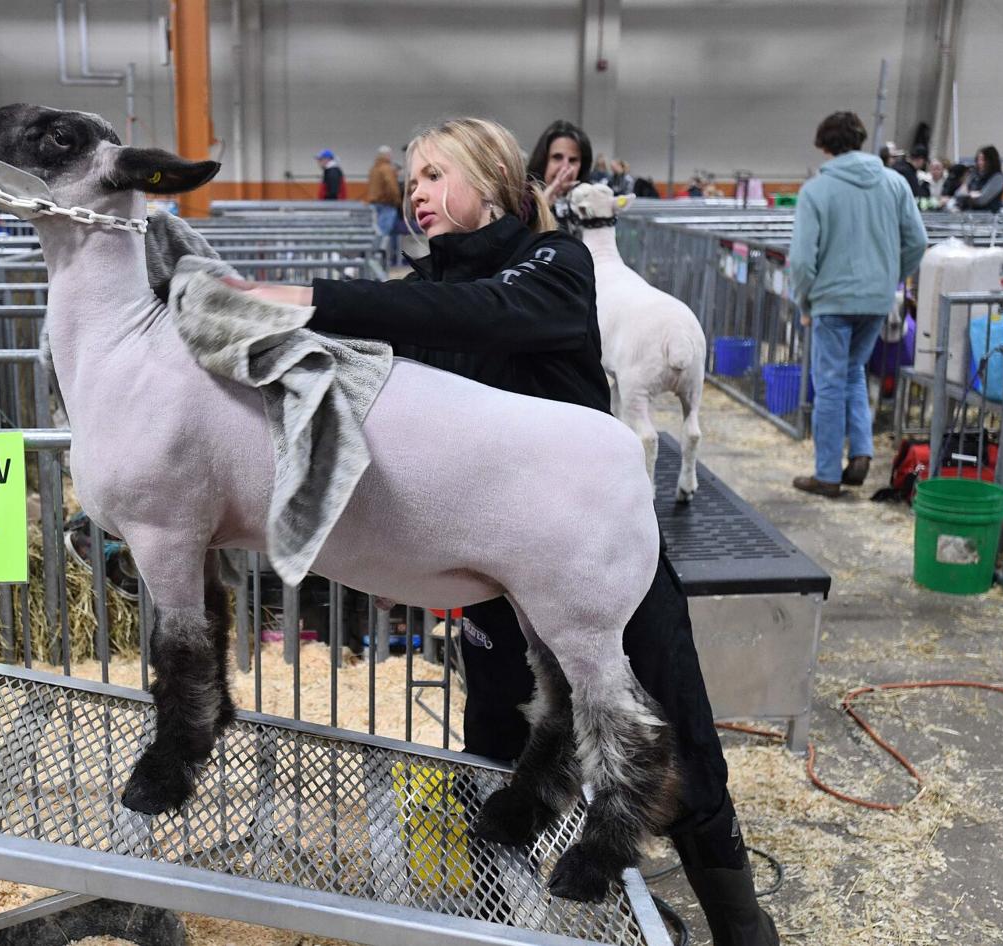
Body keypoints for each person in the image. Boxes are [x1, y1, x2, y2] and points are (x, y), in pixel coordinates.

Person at [234, 115, 778, 946]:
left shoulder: (552, 267)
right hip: (487, 563)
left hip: (600, 553)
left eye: (432, 174)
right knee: (496, 733)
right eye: (409, 178)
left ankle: (740, 925)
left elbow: (479, 316)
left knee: (676, 732)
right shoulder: (420, 287)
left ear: (488, 180)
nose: (415, 191)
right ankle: (499, 908)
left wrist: (313, 298)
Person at [788, 111, 927, 497]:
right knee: (852, 373)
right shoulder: (895, 182)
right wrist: (890, 278)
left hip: (831, 300)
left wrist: (804, 299)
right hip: (878, 300)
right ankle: (862, 452)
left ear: (823, 146)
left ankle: (828, 474)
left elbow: (801, 260)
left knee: (830, 383)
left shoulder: (816, 191)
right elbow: (917, 241)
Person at [525, 119, 592, 236]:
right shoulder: (523, 202)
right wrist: (542, 207)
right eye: (557, 157)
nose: (565, 168)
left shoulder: (588, 201)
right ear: (543, 160)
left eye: (573, 160)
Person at [365, 145, 403, 263]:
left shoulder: (373, 169)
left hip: (374, 203)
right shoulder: (387, 169)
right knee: (384, 233)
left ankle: (373, 256)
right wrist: (397, 201)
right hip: (387, 204)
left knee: (376, 231)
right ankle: (380, 259)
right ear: (387, 155)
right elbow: (392, 187)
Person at [954, 145, 1003, 212]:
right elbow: (957, 194)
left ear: (991, 160)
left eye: (983, 160)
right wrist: (972, 194)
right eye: (978, 159)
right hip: (969, 214)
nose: (980, 162)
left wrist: (966, 194)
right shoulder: (974, 174)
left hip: (988, 216)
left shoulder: (997, 177)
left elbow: (981, 200)